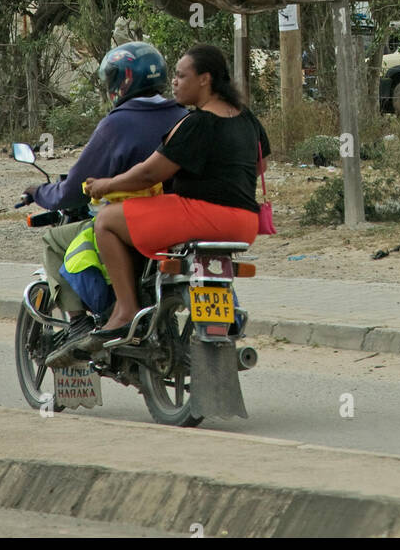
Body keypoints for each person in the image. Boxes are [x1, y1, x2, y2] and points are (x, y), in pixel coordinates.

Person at [83, 44, 269, 343]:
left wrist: (107, 184)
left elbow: (149, 173)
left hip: (202, 215)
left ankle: (126, 310)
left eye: (182, 76)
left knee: (106, 221)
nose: (174, 82)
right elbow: (259, 166)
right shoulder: (247, 119)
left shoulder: (198, 123)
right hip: (246, 223)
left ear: (205, 79)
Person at [35, 41, 186, 360]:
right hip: (182, 225)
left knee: (53, 240)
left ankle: (78, 323)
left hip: (135, 225)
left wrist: (38, 192)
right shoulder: (184, 115)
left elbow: (71, 191)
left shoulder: (117, 124)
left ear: (126, 80)